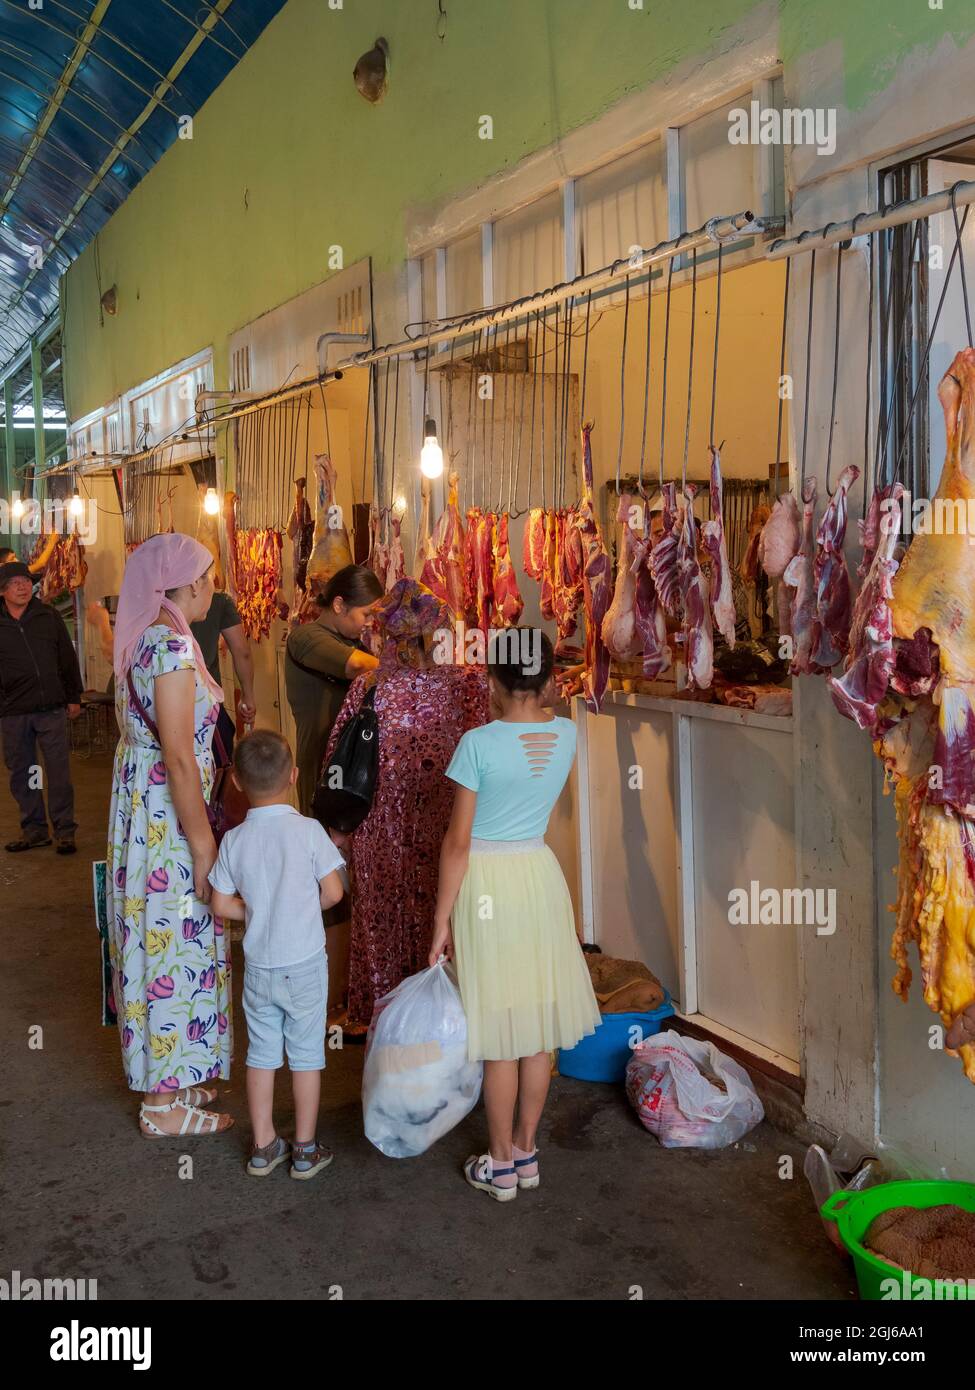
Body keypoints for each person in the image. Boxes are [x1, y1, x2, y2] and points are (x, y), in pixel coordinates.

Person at [431, 628, 601, 1202]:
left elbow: (456, 844)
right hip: (538, 876)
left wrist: (441, 922)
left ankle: (499, 1163)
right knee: (535, 1031)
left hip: (486, 883)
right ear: (550, 680)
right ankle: (527, 1152)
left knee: (499, 1032)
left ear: (491, 680)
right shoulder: (567, 735)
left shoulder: (477, 745)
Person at [106, 533, 233, 1137]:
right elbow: (180, 757)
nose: (213, 587)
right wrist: (204, 846)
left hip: (145, 813)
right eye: (207, 578)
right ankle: (162, 1106)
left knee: (157, 942)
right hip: (169, 820)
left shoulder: (143, 641)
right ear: (180, 588)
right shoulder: (173, 649)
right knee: (173, 944)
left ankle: (174, 1074)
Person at [326, 578, 488, 1034]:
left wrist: (339, 832)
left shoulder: (368, 687)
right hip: (448, 825)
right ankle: (447, 1034)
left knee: (382, 926)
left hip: (379, 829)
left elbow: (337, 760)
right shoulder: (470, 685)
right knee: (443, 919)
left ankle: (390, 1038)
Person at [209, 729, 345, 1180]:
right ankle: (305, 1149)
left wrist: (256, 909)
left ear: (239, 784)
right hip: (304, 963)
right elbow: (333, 892)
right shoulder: (308, 832)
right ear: (294, 776)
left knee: (262, 1053)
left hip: (260, 967)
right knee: (307, 1054)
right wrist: (300, 906)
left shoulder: (233, 841)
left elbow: (220, 904)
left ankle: (264, 1145)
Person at [0, 560, 83, 854]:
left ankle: (64, 830)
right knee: (27, 771)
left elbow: (67, 658)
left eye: (25, 581)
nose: (22, 587)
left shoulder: (47, 616)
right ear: (3, 591)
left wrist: (74, 696)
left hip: (50, 709)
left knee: (58, 770)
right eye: (14, 583)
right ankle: (34, 829)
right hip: (14, 712)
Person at [285, 565, 382, 816]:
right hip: (322, 763)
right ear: (339, 605)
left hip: (353, 762)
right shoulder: (305, 637)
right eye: (366, 614)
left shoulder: (355, 642)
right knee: (323, 840)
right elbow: (357, 666)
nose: (370, 624)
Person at [191, 588, 258, 728]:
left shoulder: (154, 601)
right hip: (208, 703)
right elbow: (242, 652)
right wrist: (248, 696)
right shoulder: (218, 600)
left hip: (167, 705)